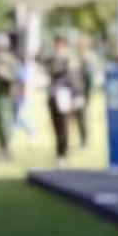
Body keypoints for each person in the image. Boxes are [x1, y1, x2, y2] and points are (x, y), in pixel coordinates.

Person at [42, 36, 86, 167]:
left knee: (64, 126)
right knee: (56, 126)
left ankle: (62, 154)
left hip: (65, 94)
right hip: (54, 94)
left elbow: (75, 78)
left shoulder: (70, 59)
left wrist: (78, 94)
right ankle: (59, 154)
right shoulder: (52, 58)